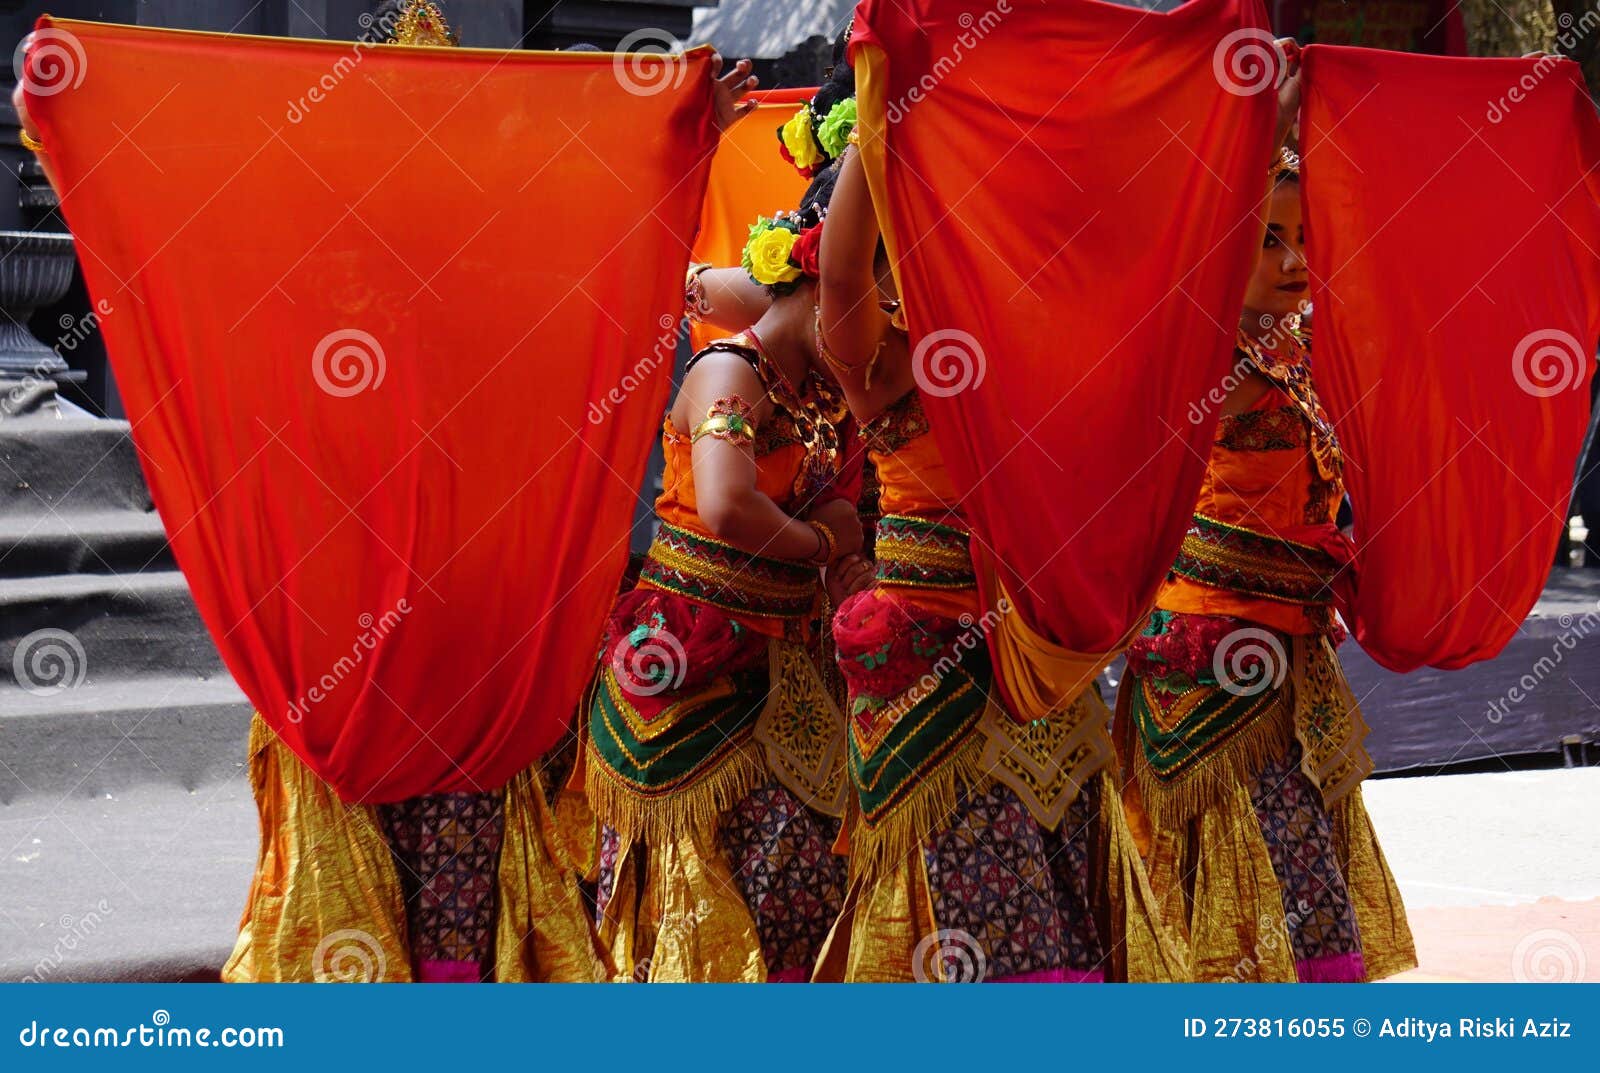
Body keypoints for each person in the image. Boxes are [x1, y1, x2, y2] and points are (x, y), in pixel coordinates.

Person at [10, 0, 765, 983]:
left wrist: (685, 134)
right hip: (402, 611)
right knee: (443, 877)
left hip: (440, 614)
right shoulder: (401, 271)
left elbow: (627, 265)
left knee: (445, 866)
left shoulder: (469, 271)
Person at [806, 73, 1182, 984]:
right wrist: (877, 122)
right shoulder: (880, 366)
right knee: (983, 904)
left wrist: (1245, 129)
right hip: (933, 666)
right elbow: (843, 275)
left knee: (1069, 900)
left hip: (1039, 656)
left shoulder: (1023, 344)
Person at [1112, 93, 1417, 980]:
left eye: (1303, 238)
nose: (1293, 261)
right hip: (1212, 664)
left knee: (1304, 883)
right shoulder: (1204, 352)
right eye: (1266, 240)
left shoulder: (1300, 349)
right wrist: (1262, 117)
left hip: (1289, 661)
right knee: (1253, 888)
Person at [580, 169, 869, 982]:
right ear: (819, 282)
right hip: (694, 666)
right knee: (709, 902)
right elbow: (726, 502)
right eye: (872, 298)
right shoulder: (729, 372)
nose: (878, 326)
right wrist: (821, 543)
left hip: (785, 668)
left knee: (803, 887)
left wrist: (843, 557)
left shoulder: (822, 392)